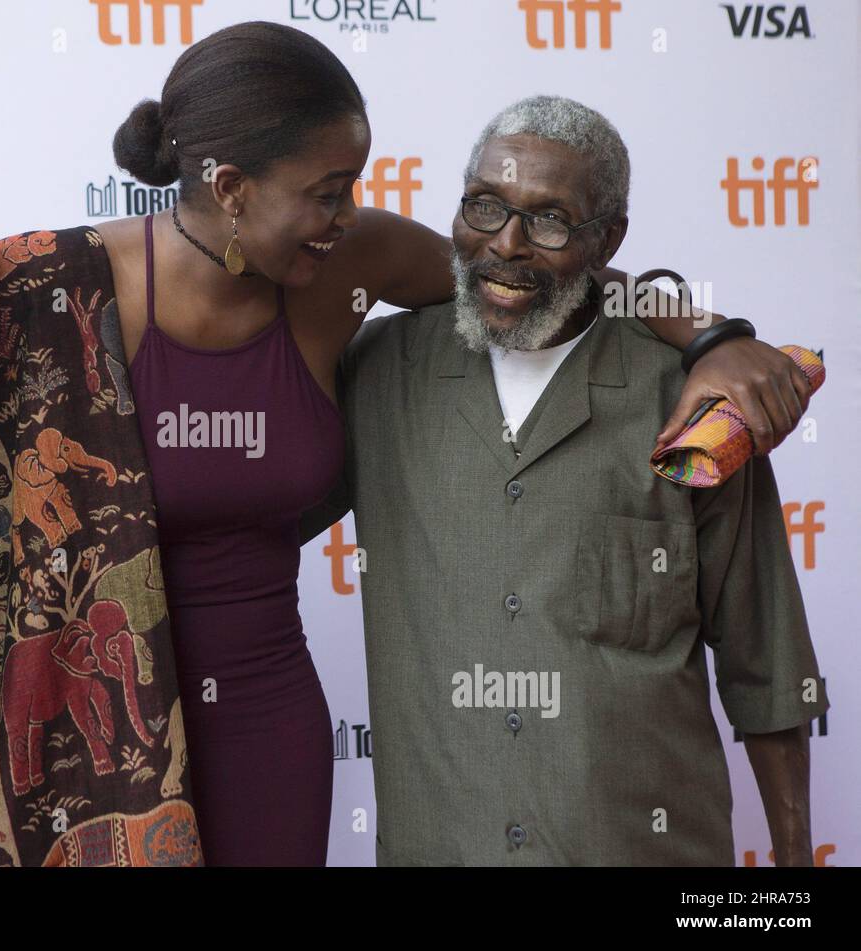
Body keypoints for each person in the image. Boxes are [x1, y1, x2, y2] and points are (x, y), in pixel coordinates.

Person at [0, 25, 814, 866]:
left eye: (358, 183)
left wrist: (710, 331)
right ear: (230, 186)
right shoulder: (35, 285)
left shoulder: (347, 265)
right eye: (326, 189)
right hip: (74, 731)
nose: (348, 212)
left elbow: (527, 272)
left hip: (267, 719)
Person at [301, 96, 828, 866]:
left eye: (549, 221)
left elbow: (767, 659)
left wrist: (791, 874)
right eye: (484, 207)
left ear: (608, 238)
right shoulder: (376, 374)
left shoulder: (689, 406)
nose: (506, 245)